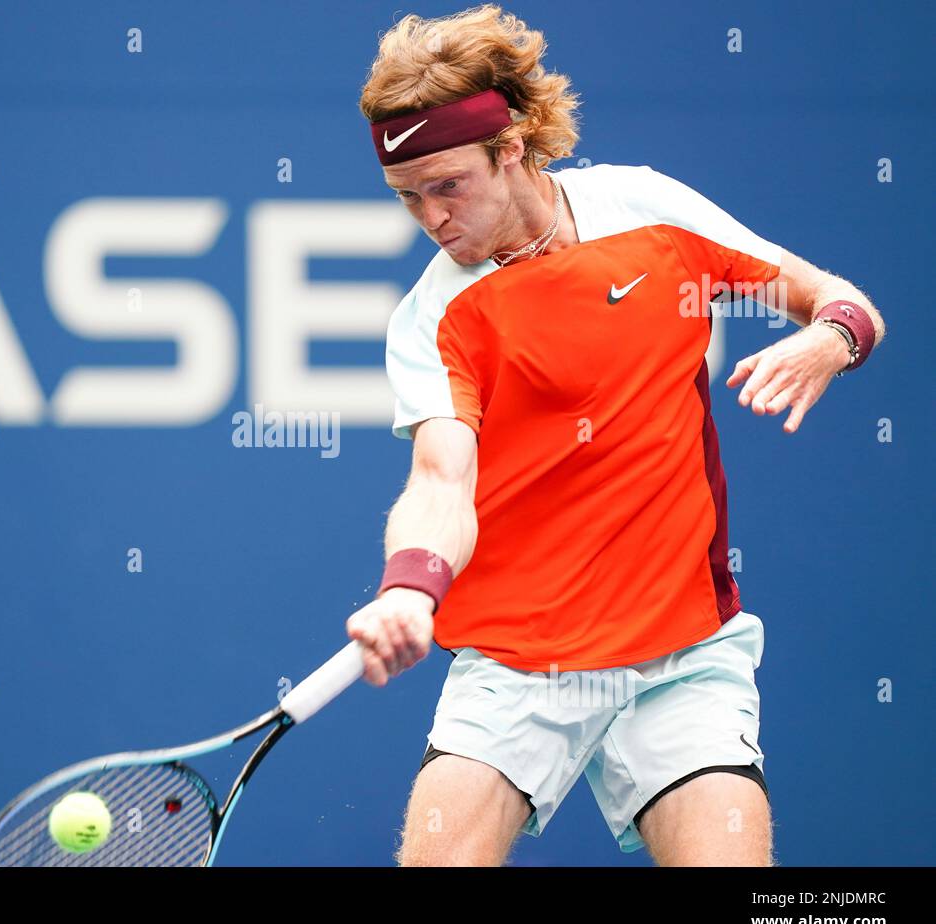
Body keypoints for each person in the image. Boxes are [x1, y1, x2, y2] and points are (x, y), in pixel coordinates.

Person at [346, 4, 884, 866]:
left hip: (684, 654)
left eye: (449, 185)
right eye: (408, 197)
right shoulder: (433, 317)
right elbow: (441, 481)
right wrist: (411, 585)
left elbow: (838, 298)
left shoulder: (647, 209)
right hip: (517, 661)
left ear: (511, 148)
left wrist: (832, 339)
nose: (432, 217)